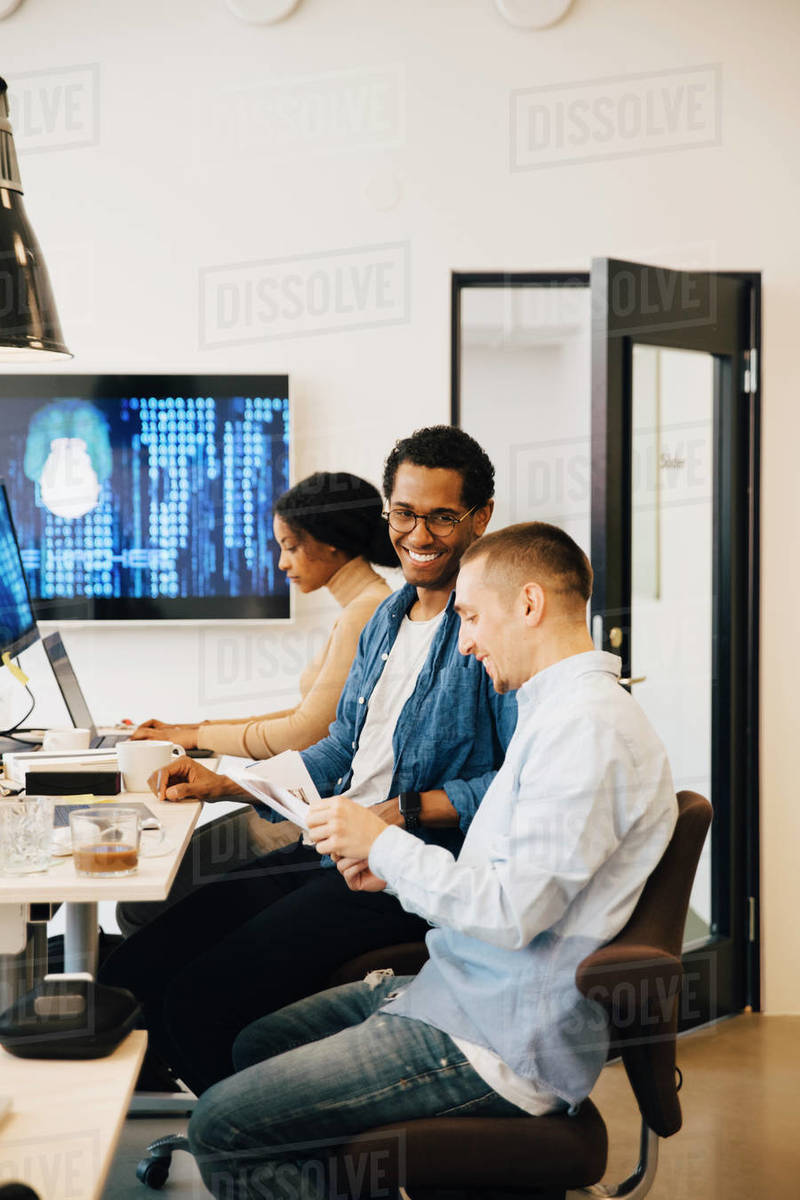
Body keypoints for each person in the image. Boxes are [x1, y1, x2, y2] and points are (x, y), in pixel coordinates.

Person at [186, 521, 678, 1200]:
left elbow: (512, 913)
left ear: (529, 604)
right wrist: (389, 867)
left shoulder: (587, 729)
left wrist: (385, 843)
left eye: (471, 617)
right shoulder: (555, 711)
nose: (465, 641)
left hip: (499, 1039)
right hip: (463, 989)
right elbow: (500, 881)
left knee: (220, 1126)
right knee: (255, 1045)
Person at [99, 426, 518, 1096]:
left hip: (406, 872)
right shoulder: (388, 618)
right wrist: (228, 783)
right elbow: (340, 749)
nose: (419, 535)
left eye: (442, 517)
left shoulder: (494, 629)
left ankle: (258, 1139)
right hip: (329, 848)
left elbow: (518, 779)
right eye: (404, 514)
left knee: (197, 1003)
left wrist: (405, 811)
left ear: (480, 517)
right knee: (135, 969)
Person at [115, 472, 395, 937]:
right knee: (150, 894)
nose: (282, 563)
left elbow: (306, 732)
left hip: (314, 812)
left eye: (290, 547)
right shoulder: (363, 606)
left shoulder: (367, 611)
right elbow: (305, 716)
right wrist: (193, 730)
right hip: (308, 801)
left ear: (329, 543)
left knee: (143, 904)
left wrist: (197, 735)